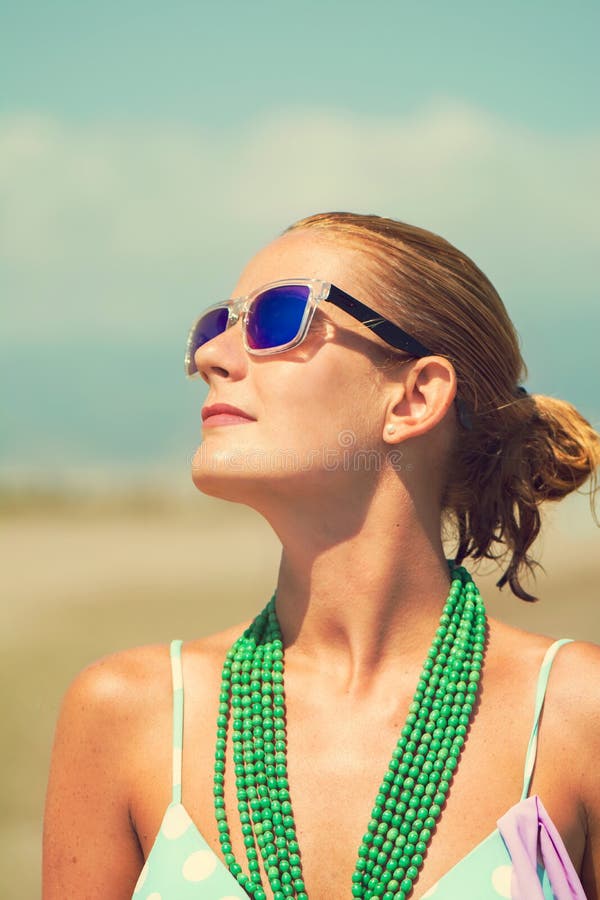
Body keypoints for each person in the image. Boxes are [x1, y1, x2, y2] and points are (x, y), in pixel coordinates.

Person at [42, 212, 600, 900]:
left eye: (277, 317)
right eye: (216, 324)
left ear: (416, 395)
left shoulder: (577, 712)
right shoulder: (127, 714)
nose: (213, 356)